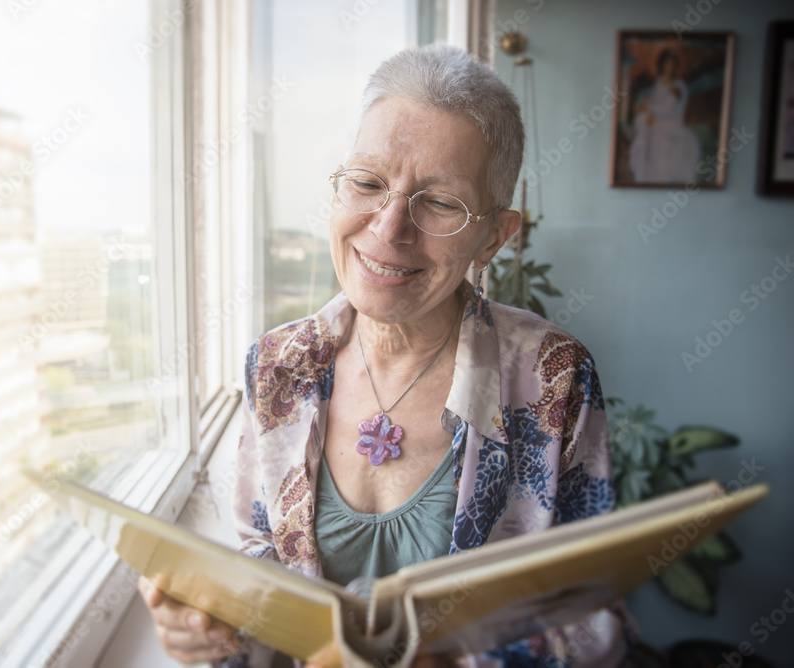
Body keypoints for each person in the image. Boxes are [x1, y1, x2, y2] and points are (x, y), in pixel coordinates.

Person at [141, 44, 633, 667]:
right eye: (368, 183)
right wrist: (216, 628)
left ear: (494, 237)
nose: (389, 227)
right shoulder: (277, 367)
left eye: (441, 202)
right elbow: (261, 561)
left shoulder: (553, 378)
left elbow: (593, 621)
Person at [628, 49, 701, 183]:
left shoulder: (677, 87)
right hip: (658, 119)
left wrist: (648, 109)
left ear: (676, 66)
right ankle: (643, 175)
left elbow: (667, 109)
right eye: (667, 64)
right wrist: (646, 108)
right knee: (641, 121)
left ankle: (659, 177)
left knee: (657, 136)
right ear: (662, 65)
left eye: (672, 65)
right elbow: (655, 102)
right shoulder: (660, 82)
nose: (669, 68)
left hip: (671, 122)